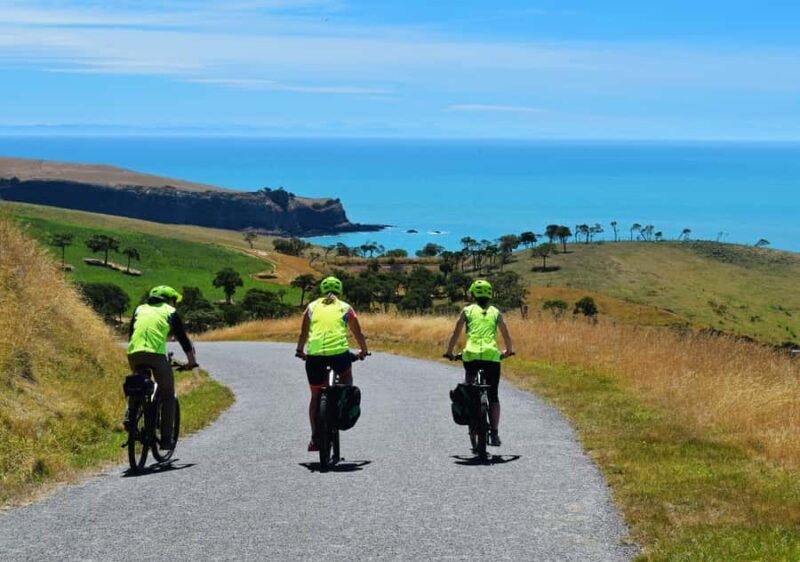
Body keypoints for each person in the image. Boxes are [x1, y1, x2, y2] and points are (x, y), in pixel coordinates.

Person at [295, 276, 369, 452]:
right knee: (346, 378)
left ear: (321, 290)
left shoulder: (311, 307)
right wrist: (363, 351)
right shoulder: (346, 308)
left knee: (315, 395)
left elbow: (303, 333)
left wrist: (300, 351)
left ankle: (314, 438)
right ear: (340, 290)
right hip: (339, 355)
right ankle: (344, 401)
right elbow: (357, 333)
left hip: (314, 356)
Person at [127, 285, 197, 449]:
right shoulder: (170, 312)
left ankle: (130, 415)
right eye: (174, 301)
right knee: (167, 394)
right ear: (169, 300)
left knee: (137, 385)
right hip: (156, 355)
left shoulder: (139, 310)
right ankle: (166, 440)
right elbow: (183, 339)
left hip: (133, 353)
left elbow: (131, 334)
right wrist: (191, 362)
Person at [445, 279, 513, 447]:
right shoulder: (496, 312)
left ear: (473, 294)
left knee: (469, 386)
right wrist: (508, 351)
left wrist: (449, 352)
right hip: (491, 356)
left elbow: (455, 333)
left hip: (471, 355)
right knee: (494, 395)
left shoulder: (467, 311)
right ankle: (495, 433)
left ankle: (469, 412)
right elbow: (506, 334)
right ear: (489, 294)